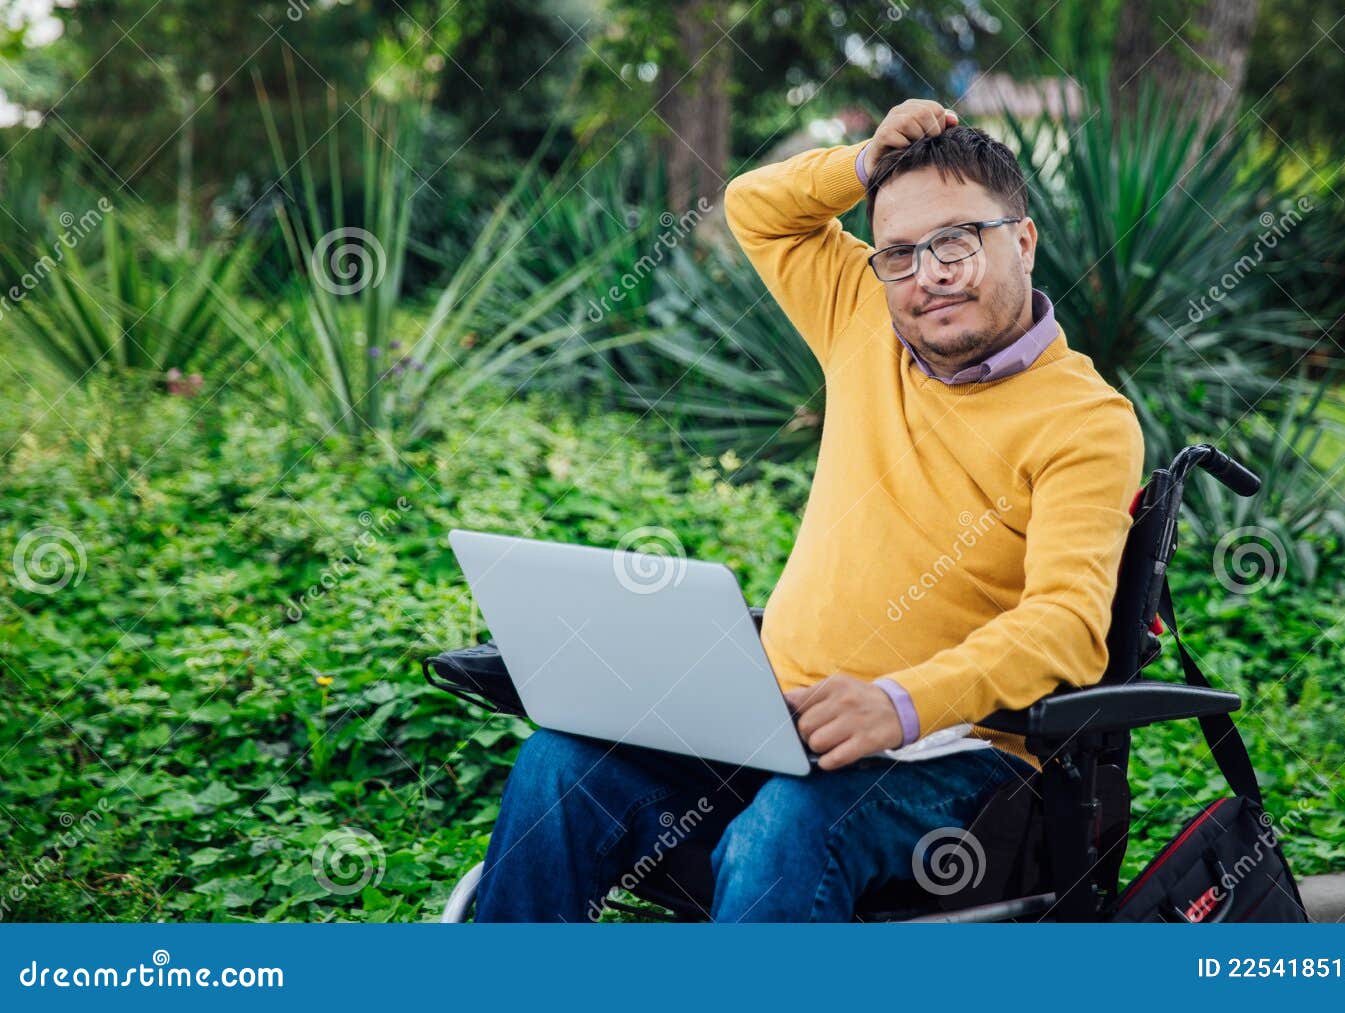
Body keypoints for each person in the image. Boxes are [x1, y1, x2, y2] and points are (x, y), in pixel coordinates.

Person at [474, 100, 1145, 922]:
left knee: (786, 826)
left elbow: (1068, 627)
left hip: (956, 759)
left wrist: (896, 703)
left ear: (1024, 240)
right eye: (898, 253)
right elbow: (756, 208)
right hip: (772, 728)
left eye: (955, 242)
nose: (928, 274)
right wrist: (861, 163)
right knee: (559, 764)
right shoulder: (864, 320)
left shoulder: (1086, 420)